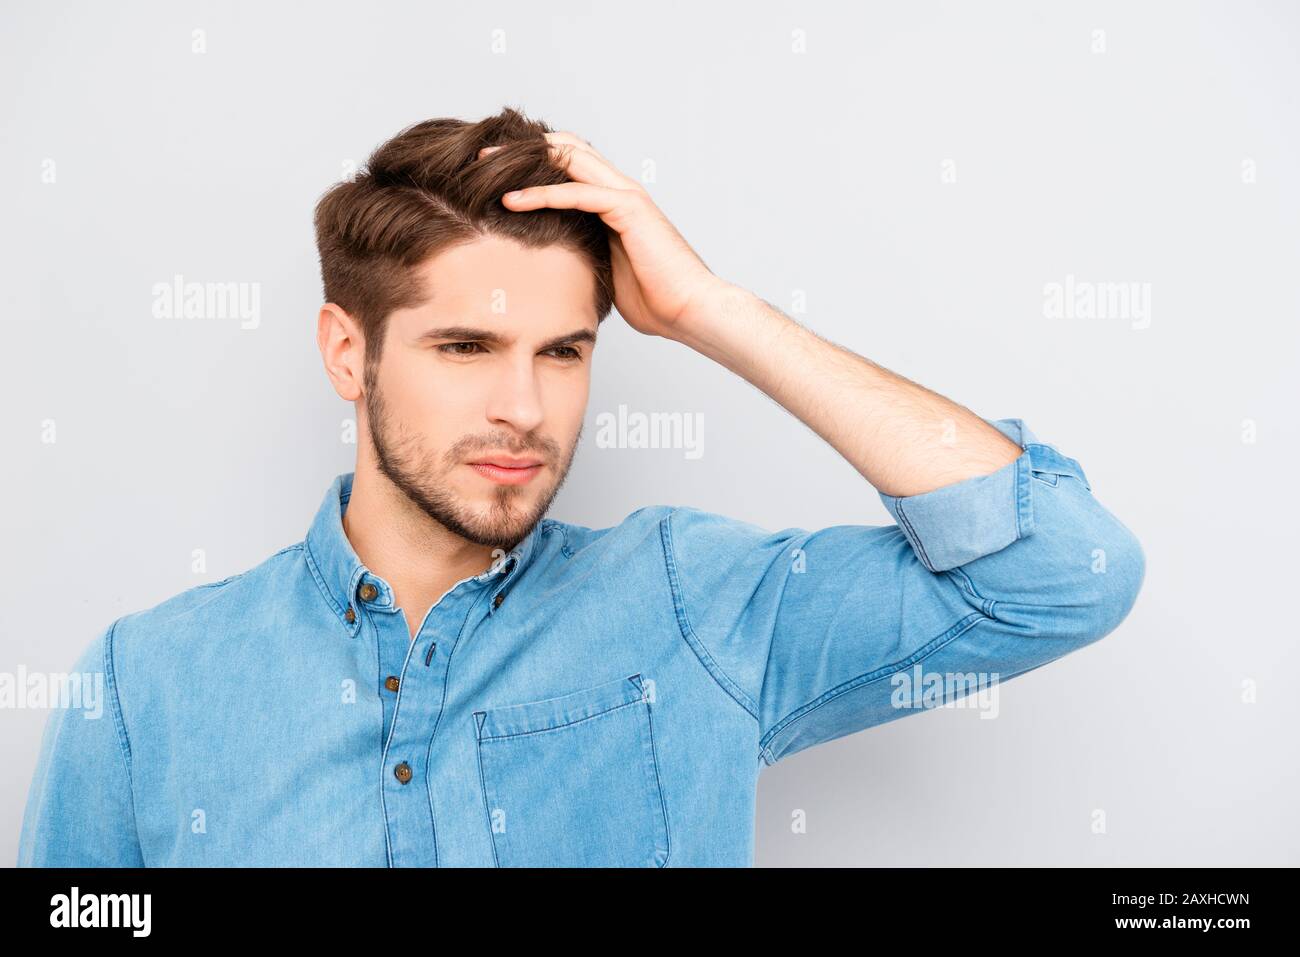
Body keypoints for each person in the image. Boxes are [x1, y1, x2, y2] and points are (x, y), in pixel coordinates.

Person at [18, 107, 1145, 867]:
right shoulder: (146, 685)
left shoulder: (693, 606)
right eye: (465, 348)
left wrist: (712, 311)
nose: (525, 407)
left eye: (562, 351)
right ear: (346, 353)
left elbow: (1061, 576)